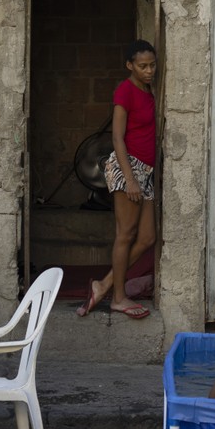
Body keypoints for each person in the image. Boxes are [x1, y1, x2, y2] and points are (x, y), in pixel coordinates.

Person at [79, 40, 157, 321]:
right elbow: (116, 138)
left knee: (147, 236)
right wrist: (130, 179)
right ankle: (118, 298)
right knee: (125, 234)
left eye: (152, 65)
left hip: (145, 170)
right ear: (130, 66)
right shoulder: (125, 91)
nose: (149, 71)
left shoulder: (149, 89)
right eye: (142, 66)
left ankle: (105, 284)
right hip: (128, 168)